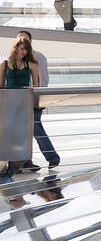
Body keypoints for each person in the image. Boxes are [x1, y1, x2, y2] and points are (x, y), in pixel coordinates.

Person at [14, 31, 60, 172]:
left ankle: (52, 158)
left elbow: (43, 79)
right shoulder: (13, 58)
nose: (22, 42)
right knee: (21, 131)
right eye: (19, 40)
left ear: (30, 42)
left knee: (35, 128)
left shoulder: (38, 57)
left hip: (34, 99)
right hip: (17, 99)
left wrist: (40, 97)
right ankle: (25, 161)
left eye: (25, 40)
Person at [0, 39, 41, 179]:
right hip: (7, 105)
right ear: (15, 48)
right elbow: (0, 86)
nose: (24, 51)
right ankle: (5, 166)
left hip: (23, 105)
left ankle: (13, 166)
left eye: (26, 49)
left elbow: (35, 84)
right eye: (22, 48)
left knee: (20, 135)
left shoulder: (31, 64)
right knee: (6, 134)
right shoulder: (4, 64)